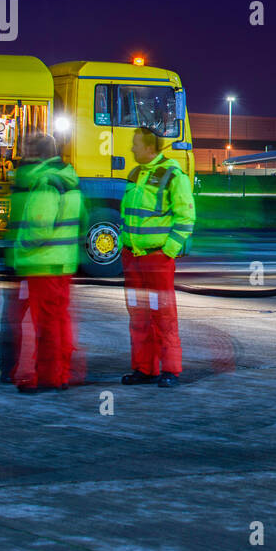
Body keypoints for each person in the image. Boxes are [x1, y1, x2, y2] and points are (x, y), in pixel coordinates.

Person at [7, 131, 83, 392]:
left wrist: (21, 246)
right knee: (59, 322)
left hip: (41, 264)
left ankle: (46, 377)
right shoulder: (70, 180)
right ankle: (60, 374)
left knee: (45, 326)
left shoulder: (44, 182)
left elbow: (39, 227)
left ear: (36, 154)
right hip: (63, 264)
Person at [120, 126, 195, 387]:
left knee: (163, 315)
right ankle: (144, 368)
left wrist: (168, 252)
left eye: (136, 144)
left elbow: (186, 218)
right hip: (133, 259)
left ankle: (171, 370)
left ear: (150, 148)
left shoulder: (173, 175)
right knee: (138, 315)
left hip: (156, 259)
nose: (132, 148)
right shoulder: (135, 174)